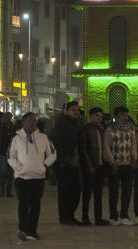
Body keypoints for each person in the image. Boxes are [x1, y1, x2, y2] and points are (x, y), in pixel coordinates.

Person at [8, 112, 57, 241]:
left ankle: (32, 230)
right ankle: (23, 229)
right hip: (22, 177)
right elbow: (10, 156)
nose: (32, 123)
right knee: (23, 204)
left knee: (35, 205)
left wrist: (44, 165)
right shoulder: (16, 138)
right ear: (23, 122)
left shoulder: (43, 137)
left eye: (34, 121)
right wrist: (18, 167)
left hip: (38, 177)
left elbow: (53, 154)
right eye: (29, 120)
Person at [103, 106, 138, 226]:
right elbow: (106, 147)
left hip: (127, 164)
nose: (125, 117)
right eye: (122, 115)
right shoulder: (110, 130)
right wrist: (112, 162)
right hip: (115, 165)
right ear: (117, 116)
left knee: (127, 191)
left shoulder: (131, 129)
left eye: (126, 115)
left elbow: (133, 145)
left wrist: (134, 158)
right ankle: (113, 216)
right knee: (114, 192)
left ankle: (124, 215)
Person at [51, 101, 82, 225]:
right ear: (66, 111)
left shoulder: (75, 124)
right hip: (64, 163)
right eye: (73, 110)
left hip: (74, 163)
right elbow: (56, 144)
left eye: (77, 110)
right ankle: (64, 217)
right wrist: (62, 162)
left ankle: (70, 215)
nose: (76, 112)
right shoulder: (62, 125)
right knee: (65, 191)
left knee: (75, 191)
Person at [78, 107, 107, 225]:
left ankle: (98, 218)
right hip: (90, 166)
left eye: (101, 116)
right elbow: (83, 149)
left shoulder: (102, 129)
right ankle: (85, 217)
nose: (99, 118)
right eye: (97, 116)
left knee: (98, 193)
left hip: (100, 165)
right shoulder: (86, 129)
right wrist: (89, 165)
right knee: (87, 193)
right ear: (91, 116)